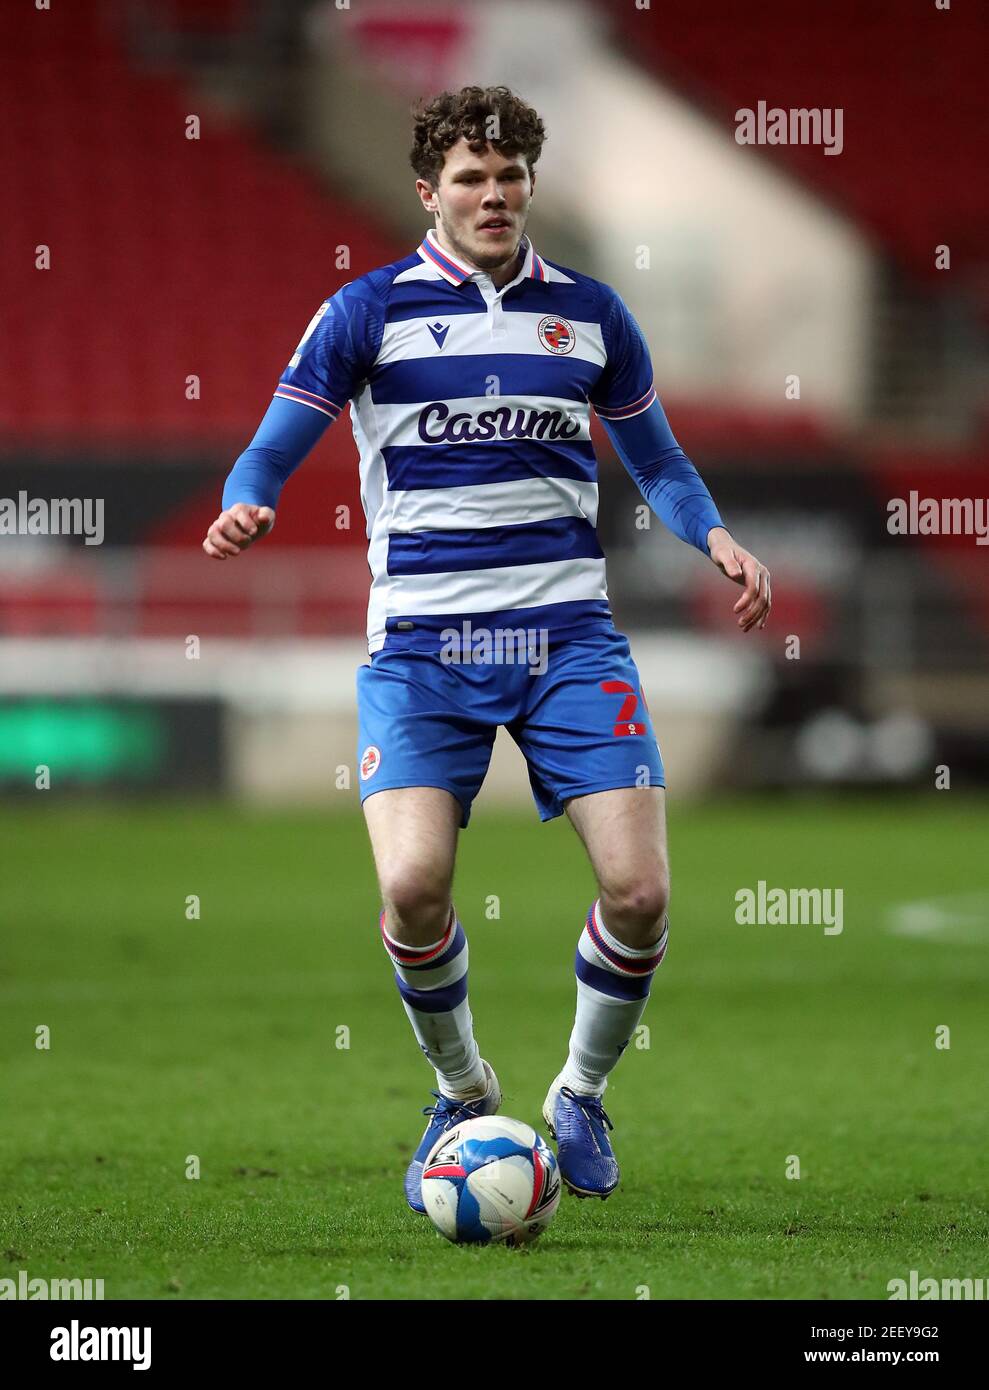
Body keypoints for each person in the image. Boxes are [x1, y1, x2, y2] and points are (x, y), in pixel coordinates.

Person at [204, 85, 771, 1208]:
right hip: (421, 646)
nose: (493, 194)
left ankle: (577, 1093)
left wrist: (714, 536)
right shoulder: (366, 312)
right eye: (470, 177)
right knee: (413, 885)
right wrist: (247, 503)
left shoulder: (593, 315)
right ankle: (462, 1090)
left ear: (528, 186)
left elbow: (654, 459)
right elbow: (272, 445)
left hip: (568, 639)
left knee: (641, 892)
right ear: (428, 193)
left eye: (509, 176)